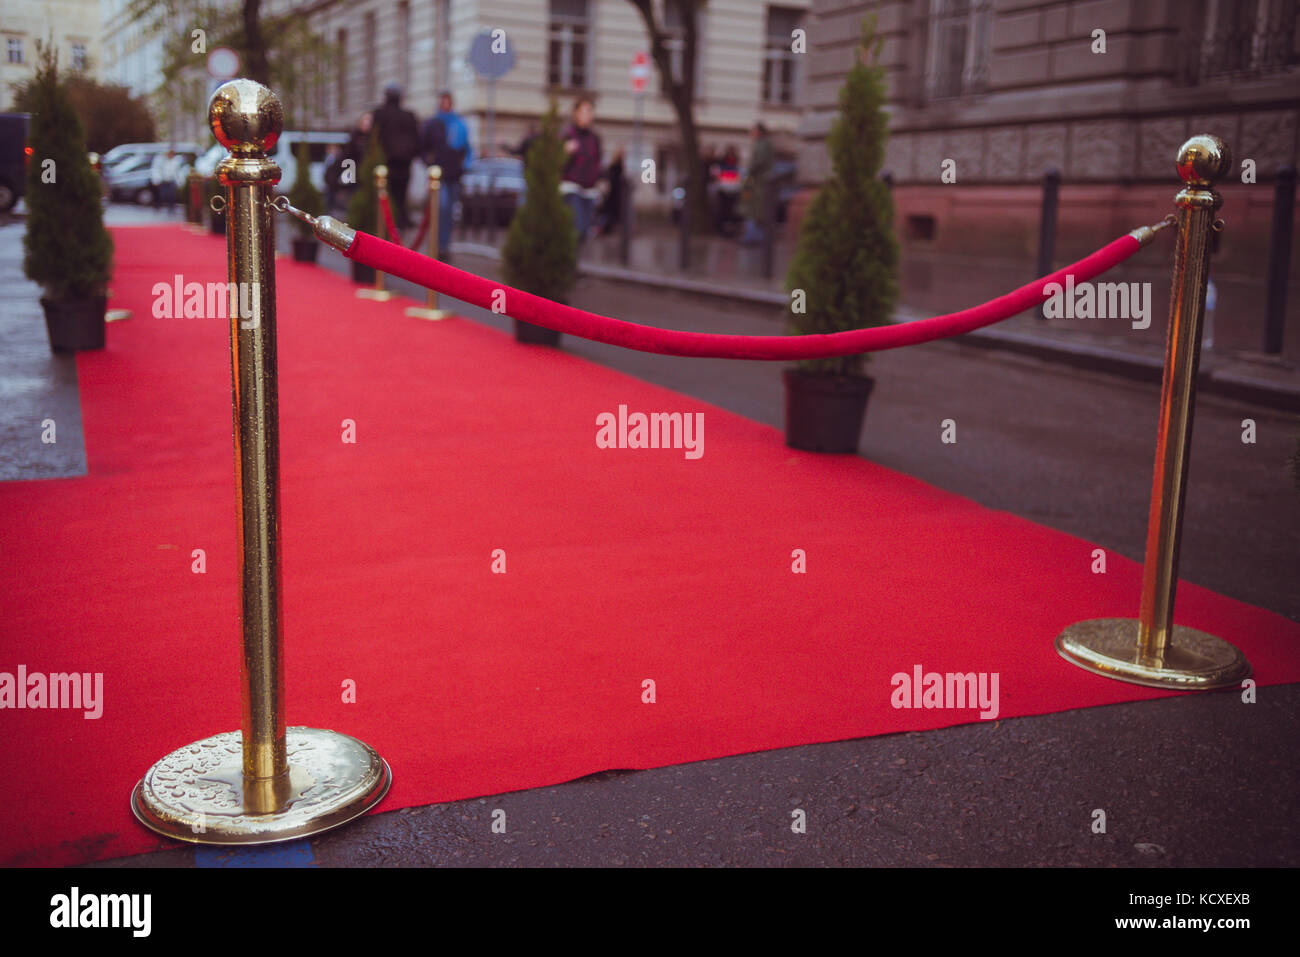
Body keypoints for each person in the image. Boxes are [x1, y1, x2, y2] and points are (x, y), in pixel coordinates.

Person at [420, 91, 472, 261]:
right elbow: (423, 147)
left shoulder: (459, 124)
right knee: (440, 208)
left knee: (449, 213)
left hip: (454, 175)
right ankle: (437, 244)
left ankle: (444, 246)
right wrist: (429, 164)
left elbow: (465, 148)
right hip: (439, 176)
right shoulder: (432, 124)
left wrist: (463, 166)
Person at [372, 83, 420, 228]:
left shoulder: (380, 114)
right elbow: (416, 139)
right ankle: (399, 220)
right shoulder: (408, 116)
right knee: (400, 195)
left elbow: (374, 138)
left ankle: (391, 221)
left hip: (387, 163)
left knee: (387, 195)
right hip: (403, 163)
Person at [561, 97, 602, 246]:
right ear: (576, 113)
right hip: (571, 187)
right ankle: (568, 264)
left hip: (589, 190)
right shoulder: (567, 134)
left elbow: (597, 160)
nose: (588, 115)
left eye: (590, 111)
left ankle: (572, 261)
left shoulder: (594, 137)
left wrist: (601, 178)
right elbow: (556, 161)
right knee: (576, 227)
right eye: (584, 111)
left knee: (585, 230)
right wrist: (564, 151)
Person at [738, 122, 773, 245]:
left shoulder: (762, 144)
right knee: (751, 208)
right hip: (754, 182)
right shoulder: (760, 144)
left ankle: (753, 236)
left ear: (760, 132)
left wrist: (747, 172)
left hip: (756, 182)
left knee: (754, 209)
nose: (751, 133)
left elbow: (757, 163)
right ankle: (752, 235)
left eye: (754, 131)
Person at [338, 112, 373, 211]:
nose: (367, 124)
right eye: (365, 121)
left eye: (369, 121)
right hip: (355, 175)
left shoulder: (373, 139)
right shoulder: (354, 138)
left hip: (368, 176)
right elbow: (347, 157)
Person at [596, 146, 625, 236]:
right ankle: (600, 228)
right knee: (607, 212)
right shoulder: (615, 166)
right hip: (612, 193)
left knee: (608, 212)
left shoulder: (616, 166)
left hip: (613, 194)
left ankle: (603, 228)